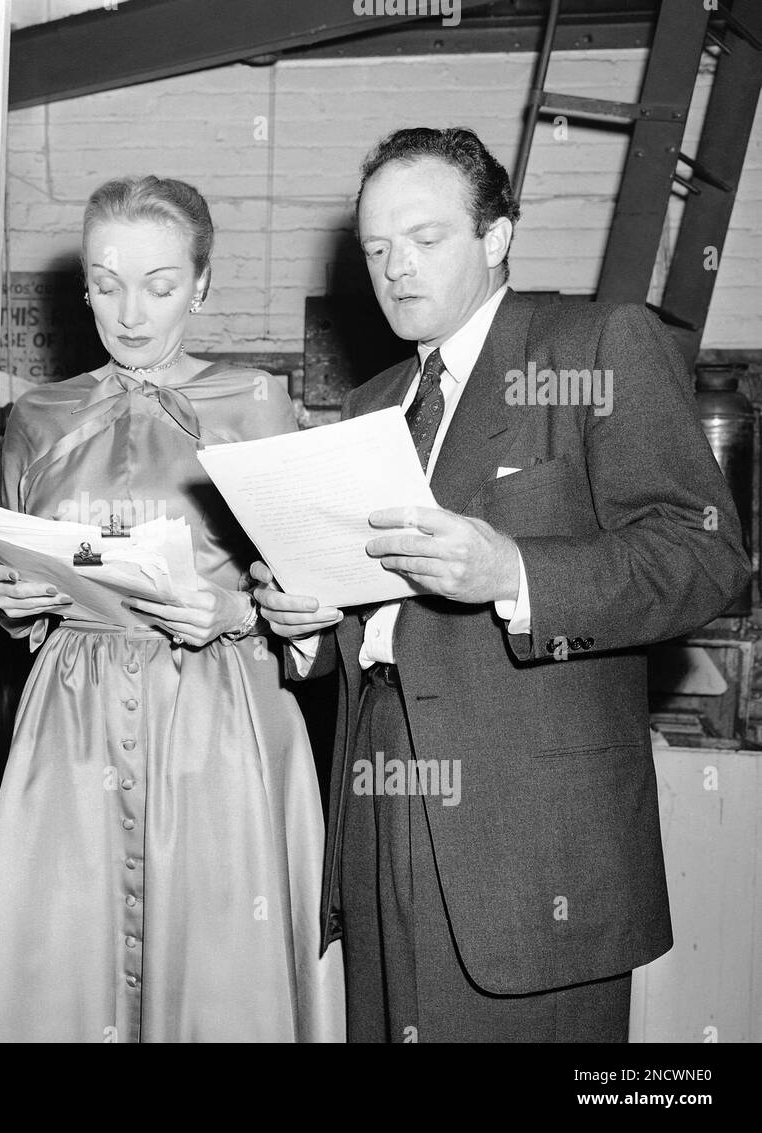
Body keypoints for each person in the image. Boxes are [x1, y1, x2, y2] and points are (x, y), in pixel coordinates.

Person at [252, 126, 750, 1043]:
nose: (397, 269)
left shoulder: (596, 344)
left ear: (497, 236)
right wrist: (308, 623)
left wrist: (513, 569)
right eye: (376, 250)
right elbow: (373, 624)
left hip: (533, 847)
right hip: (377, 806)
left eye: (426, 238)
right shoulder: (372, 404)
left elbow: (706, 556)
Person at [0, 175, 332, 1042]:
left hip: (217, 710)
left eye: (160, 285)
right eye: (107, 282)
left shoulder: (257, 402)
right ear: (83, 283)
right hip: (69, 723)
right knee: (56, 965)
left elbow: (311, 593)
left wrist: (233, 607)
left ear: (200, 284)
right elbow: (14, 577)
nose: (130, 312)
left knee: (220, 959)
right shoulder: (35, 416)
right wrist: (12, 600)